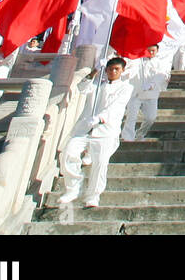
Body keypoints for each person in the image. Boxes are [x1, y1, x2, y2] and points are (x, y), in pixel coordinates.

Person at [60, 57, 133, 208]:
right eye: (110, 69)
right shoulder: (97, 84)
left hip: (106, 131)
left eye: (116, 69)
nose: (113, 72)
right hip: (85, 128)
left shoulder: (126, 88)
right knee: (68, 152)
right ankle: (72, 189)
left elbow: (116, 108)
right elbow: (82, 88)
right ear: (106, 70)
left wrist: (100, 118)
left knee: (100, 164)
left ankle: (93, 196)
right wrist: (95, 70)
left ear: (122, 71)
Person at [121, 44, 169, 142]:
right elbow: (128, 68)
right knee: (131, 117)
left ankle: (140, 134)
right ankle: (127, 137)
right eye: (149, 50)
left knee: (150, 118)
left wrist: (152, 85)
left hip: (151, 94)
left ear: (157, 51)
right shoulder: (136, 60)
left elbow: (162, 76)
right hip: (135, 93)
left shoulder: (160, 63)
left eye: (153, 51)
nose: (151, 53)